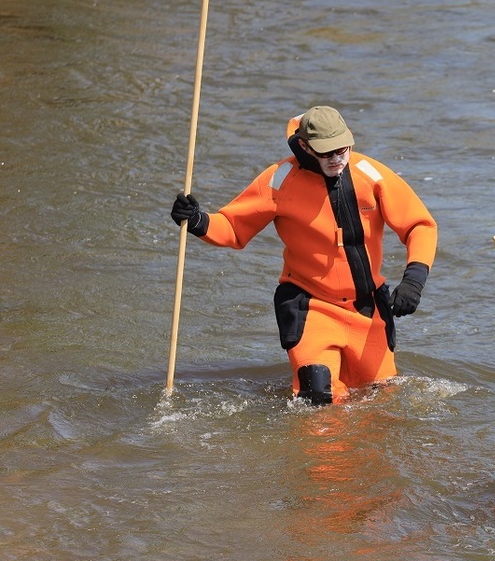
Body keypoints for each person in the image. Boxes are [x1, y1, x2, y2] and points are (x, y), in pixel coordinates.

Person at [170, 105, 438, 405]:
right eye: (327, 153)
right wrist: (197, 221)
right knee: (317, 398)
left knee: (378, 401)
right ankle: (314, 451)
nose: (337, 159)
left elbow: (420, 226)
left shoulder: (371, 175)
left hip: (367, 308)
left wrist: (414, 281)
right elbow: (233, 228)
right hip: (311, 306)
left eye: (342, 150)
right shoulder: (279, 180)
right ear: (305, 147)